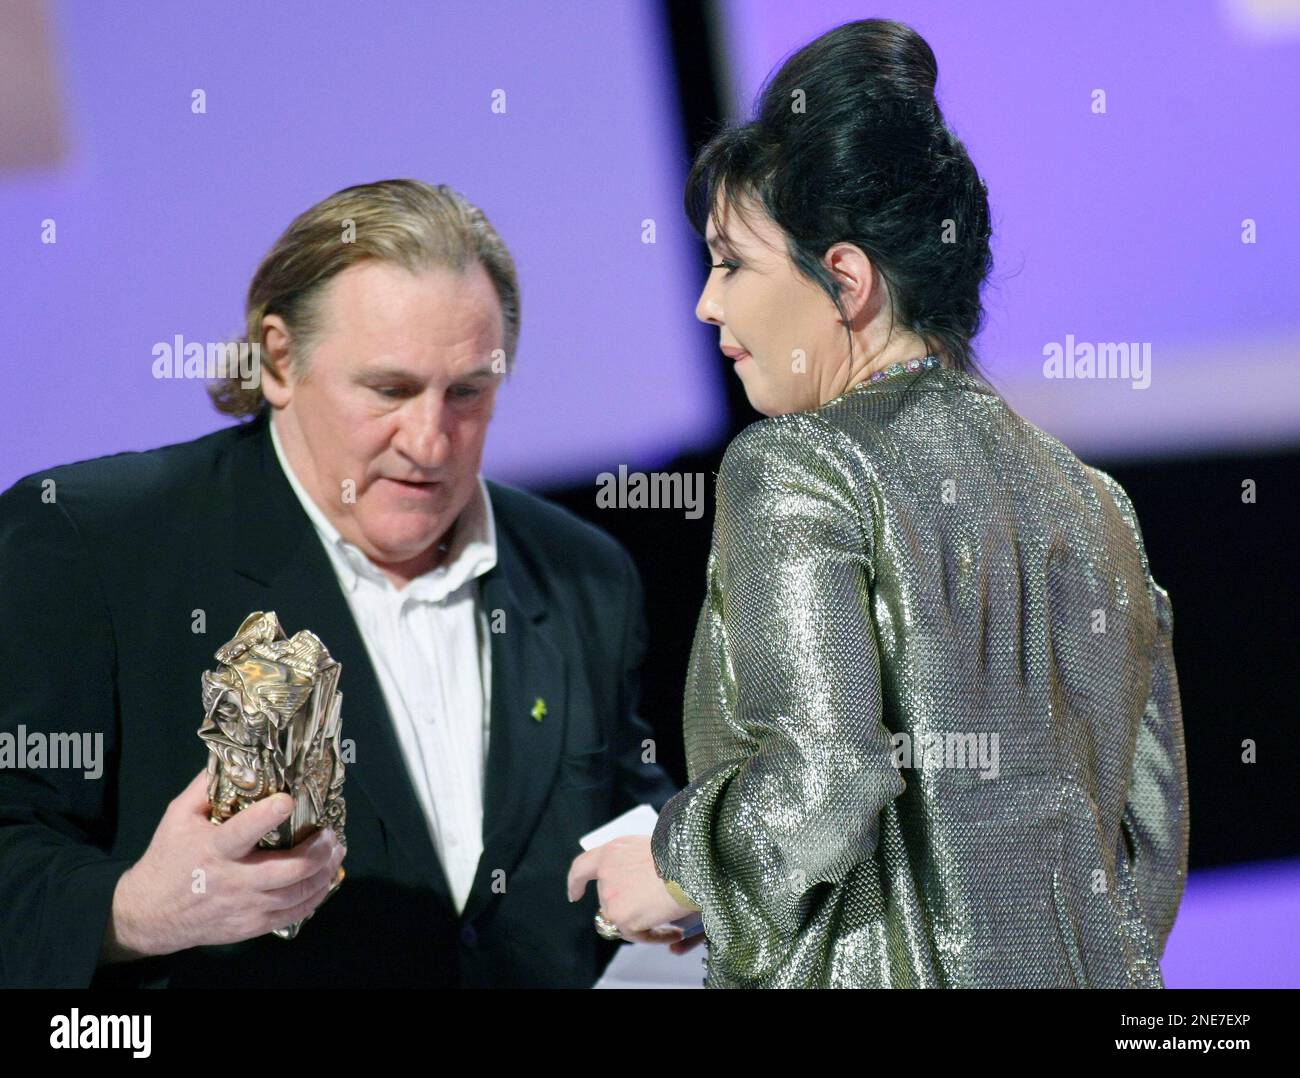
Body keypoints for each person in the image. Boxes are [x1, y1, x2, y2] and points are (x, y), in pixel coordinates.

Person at [568, 19, 1189, 987]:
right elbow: (1147, 853)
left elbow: (825, 780)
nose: (707, 304)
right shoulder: (1095, 501)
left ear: (845, 279)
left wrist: (672, 865)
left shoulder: (794, 467)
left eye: (731, 263)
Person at [0, 179, 677, 988]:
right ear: (280, 361)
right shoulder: (94, 544)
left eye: (467, 392)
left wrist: (688, 874)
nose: (430, 441)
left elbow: (623, 824)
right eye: (390, 391)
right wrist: (130, 911)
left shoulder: (583, 575)